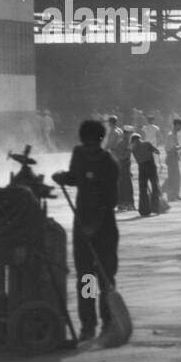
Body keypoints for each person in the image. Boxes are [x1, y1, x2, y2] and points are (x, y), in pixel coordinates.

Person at [52, 120, 120, 341]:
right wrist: (63, 177)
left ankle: (108, 321)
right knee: (86, 278)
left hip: (104, 228)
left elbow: (111, 200)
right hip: (82, 226)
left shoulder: (109, 163)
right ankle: (88, 324)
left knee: (105, 277)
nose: (89, 147)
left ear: (100, 141)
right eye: (86, 143)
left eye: (93, 143)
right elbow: (75, 177)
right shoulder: (79, 154)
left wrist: (94, 227)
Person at [106, 115, 134, 212]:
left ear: (110, 123)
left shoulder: (113, 132)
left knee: (119, 181)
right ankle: (124, 203)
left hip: (115, 156)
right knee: (123, 181)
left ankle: (121, 203)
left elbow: (109, 146)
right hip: (121, 158)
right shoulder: (120, 132)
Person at [131, 132, 161, 216]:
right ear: (140, 138)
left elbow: (138, 159)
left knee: (143, 189)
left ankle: (144, 210)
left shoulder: (133, 149)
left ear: (133, 141)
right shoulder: (147, 144)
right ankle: (156, 208)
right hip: (151, 167)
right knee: (154, 187)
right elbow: (157, 152)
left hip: (142, 168)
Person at [164, 119, 181, 201]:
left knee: (175, 177)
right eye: (180, 125)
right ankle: (171, 194)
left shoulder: (174, 134)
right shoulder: (171, 135)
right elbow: (172, 148)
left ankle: (173, 195)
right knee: (174, 177)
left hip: (173, 156)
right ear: (176, 125)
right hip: (171, 157)